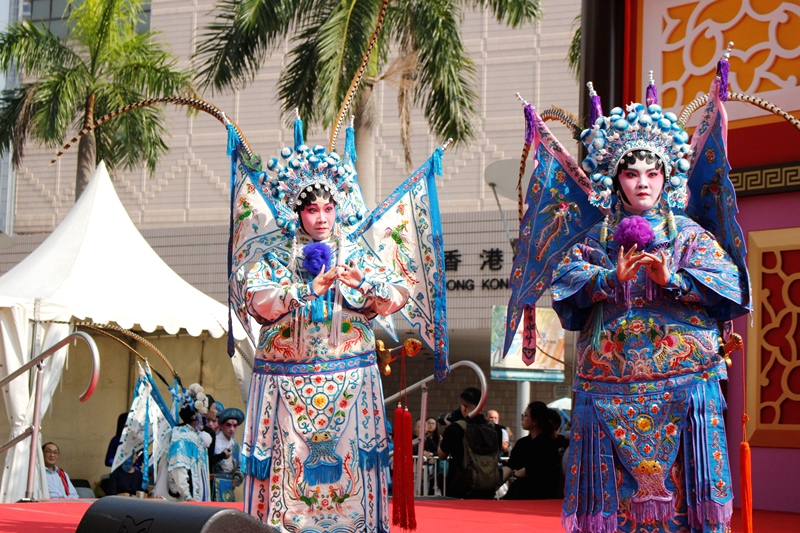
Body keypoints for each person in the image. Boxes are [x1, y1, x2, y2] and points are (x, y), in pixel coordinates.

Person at [528, 80, 749, 531]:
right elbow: (565, 288)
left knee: (687, 500)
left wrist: (675, 279)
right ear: (616, 180)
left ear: (666, 178)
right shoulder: (596, 240)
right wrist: (611, 279)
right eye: (632, 174)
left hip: (684, 387)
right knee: (616, 509)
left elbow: (730, 288)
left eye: (652, 173)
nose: (643, 183)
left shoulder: (687, 235)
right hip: (609, 387)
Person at [239, 136, 410, 531]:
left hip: (349, 378)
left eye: (328, 209)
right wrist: (306, 291)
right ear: (297, 212)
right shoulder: (277, 256)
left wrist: (361, 282)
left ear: (338, 210)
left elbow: (397, 293)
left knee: (351, 473)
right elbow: (257, 300)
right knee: (288, 466)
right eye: (312, 209)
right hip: (286, 381)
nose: (321, 218)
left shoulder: (357, 254)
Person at [437, 387, 501, 499]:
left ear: (463, 407)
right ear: (482, 406)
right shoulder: (495, 428)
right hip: (488, 488)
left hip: (461, 488)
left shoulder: (455, 428)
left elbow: (442, 455)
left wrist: (444, 436)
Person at [500, 401, 562, 500]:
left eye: (525, 415)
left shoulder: (548, 444)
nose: (522, 419)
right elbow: (510, 466)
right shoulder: (522, 443)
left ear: (535, 421)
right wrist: (495, 486)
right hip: (521, 494)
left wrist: (515, 473)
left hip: (541, 496)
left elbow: (533, 470)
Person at [167, 383, 211, 502]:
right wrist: (187, 496)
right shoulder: (182, 437)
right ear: (197, 416)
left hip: (201, 498)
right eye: (203, 415)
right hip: (188, 502)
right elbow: (179, 467)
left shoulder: (197, 436)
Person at [211, 407, 244, 502]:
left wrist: (237, 479)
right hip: (214, 486)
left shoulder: (237, 446)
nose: (232, 429)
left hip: (229, 487)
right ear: (221, 425)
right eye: (228, 425)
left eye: (235, 426)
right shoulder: (214, 442)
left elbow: (241, 466)